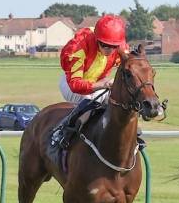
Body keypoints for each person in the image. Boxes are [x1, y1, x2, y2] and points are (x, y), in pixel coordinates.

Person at [51, 14, 127, 149]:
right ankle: (63, 133)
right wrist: (101, 84)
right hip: (71, 83)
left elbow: (131, 65)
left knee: (120, 99)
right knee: (90, 101)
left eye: (113, 46)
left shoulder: (119, 46)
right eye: (105, 45)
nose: (110, 50)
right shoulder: (79, 46)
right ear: (97, 39)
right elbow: (75, 85)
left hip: (98, 82)